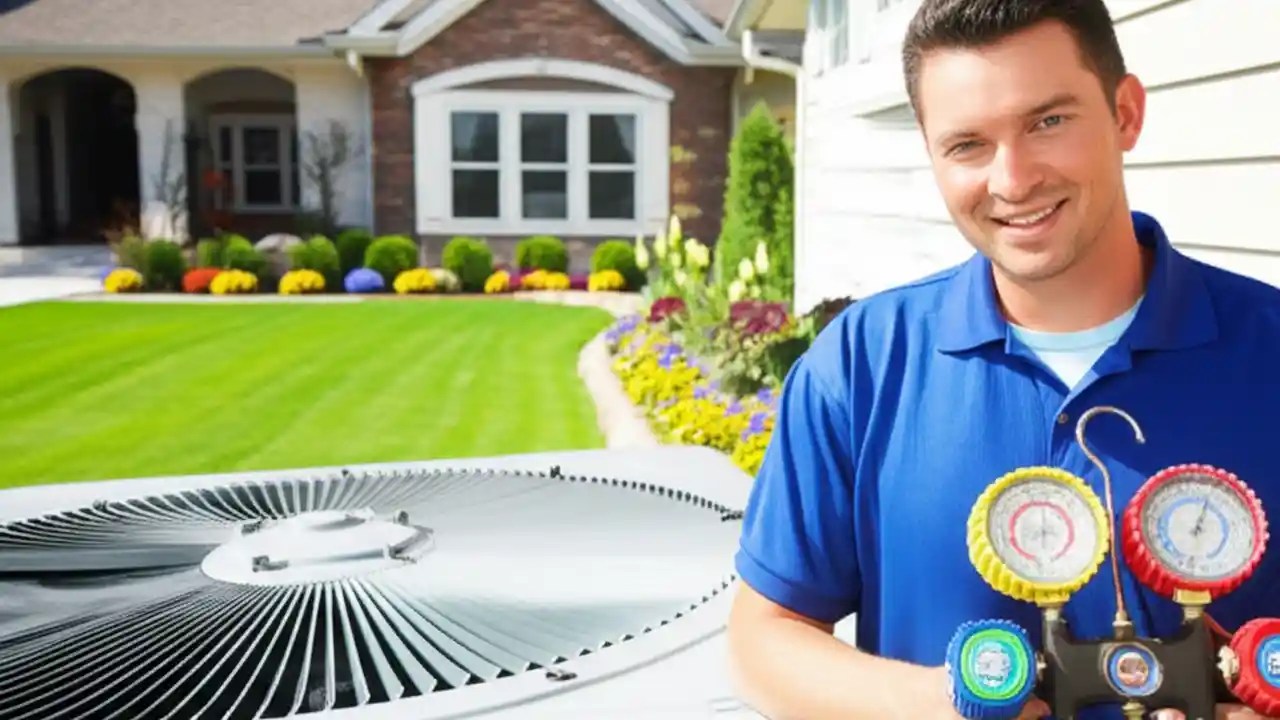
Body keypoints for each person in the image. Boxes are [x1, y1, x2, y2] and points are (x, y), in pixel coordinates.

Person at [725, 1, 1280, 720]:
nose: (1012, 180)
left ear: (1126, 114)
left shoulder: (1268, 347)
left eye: (1048, 121)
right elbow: (764, 638)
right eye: (967, 145)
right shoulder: (861, 363)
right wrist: (942, 705)